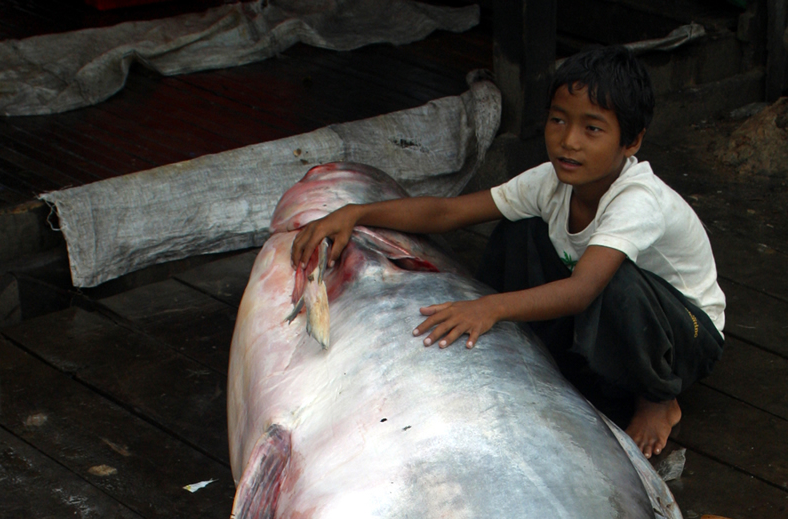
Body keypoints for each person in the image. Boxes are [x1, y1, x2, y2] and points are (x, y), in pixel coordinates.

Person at [291, 45, 725, 459]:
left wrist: (488, 308)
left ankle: (658, 399)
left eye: (592, 128)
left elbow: (582, 290)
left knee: (615, 283)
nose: (569, 141)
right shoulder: (551, 180)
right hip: (608, 317)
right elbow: (448, 211)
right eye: (558, 121)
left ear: (631, 142)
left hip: (684, 336)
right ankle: (530, 353)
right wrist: (355, 211)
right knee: (519, 229)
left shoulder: (638, 199)